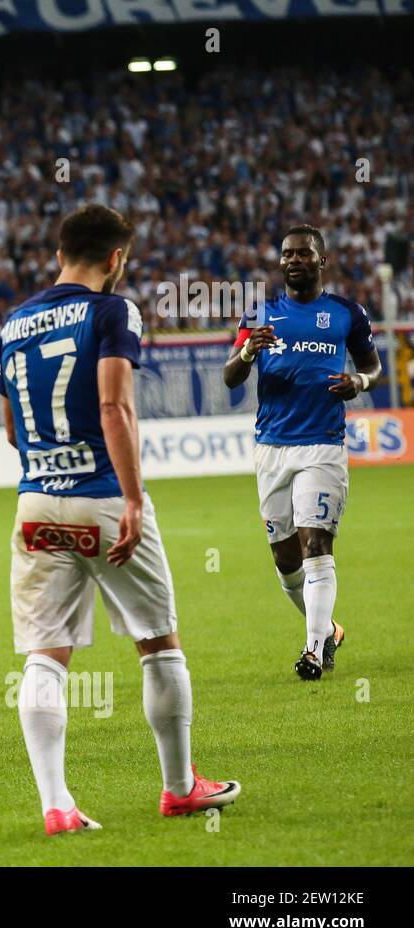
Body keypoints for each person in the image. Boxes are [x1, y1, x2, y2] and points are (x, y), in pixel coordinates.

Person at [0, 204, 240, 835]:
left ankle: (57, 805)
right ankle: (181, 788)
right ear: (115, 259)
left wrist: (51, 467)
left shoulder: (13, 322)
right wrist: (131, 499)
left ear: (59, 254)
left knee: (45, 659)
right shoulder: (114, 310)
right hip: (101, 496)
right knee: (158, 643)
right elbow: (114, 406)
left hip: (36, 503)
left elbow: (11, 431)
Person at [222, 225, 382, 680]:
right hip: (272, 447)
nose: (294, 260)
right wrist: (248, 353)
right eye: (287, 254)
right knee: (286, 560)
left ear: (322, 260)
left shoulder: (347, 313)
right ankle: (328, 629)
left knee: (317, 545)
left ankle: (312, 651)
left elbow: (372, 368)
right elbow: (230, 377)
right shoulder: (259, 313)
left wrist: (359, 382)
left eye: (303, 254)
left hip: (323, 446)